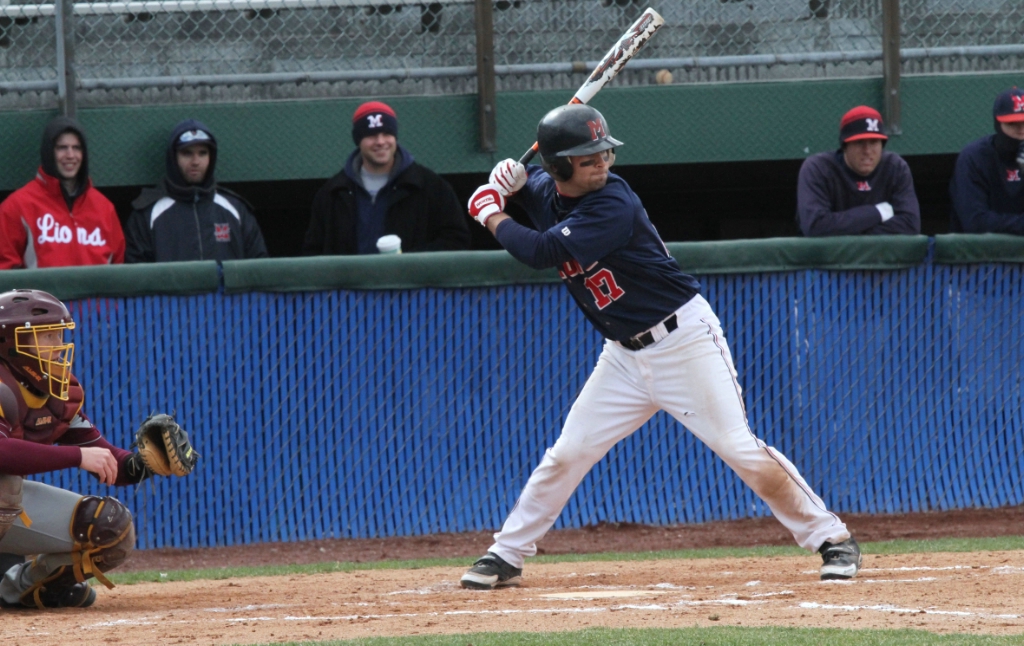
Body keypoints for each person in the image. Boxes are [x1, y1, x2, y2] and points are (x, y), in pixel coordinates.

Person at [459, 104, 862, 590]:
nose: (602, 164)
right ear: (559, 166)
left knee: (739, 447)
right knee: (568, 453)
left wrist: (490, 211)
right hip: (624, 356)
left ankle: (833, 538)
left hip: (684, 341)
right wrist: (512, 180)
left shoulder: (613, 203)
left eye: (604, 154)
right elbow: (536, 188)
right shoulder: (550, 187)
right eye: (588, 160)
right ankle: (507, 553)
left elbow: (542, 252)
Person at [0, 289, 192, 608]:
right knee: (6, 485)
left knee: (110, 528)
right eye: (44, 336)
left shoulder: (56, 393)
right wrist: (76, 457)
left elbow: (105, 458)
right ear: (8, 342)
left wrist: (143, 464)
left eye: (57, 333)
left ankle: (17, 588)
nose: (56, 345)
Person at [302, 101, 470, 255]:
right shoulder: (332, 193)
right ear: (358, 140)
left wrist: (410, 264)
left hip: (412, 287)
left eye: (387, 133)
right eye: (371, 135)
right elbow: (313, 251)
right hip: (351, 287)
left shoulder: (430, 186)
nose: (380, 141)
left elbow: (456, 240)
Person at [125, 119, 269, 262]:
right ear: (173, 157)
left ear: (211, 157)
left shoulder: (237, 210)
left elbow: (260, 271)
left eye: (202, 153)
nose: (195, 161)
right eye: (187, 153)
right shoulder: (147, 215)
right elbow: (136, 279)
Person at [0, 117, 125, 269]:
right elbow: (5, 272)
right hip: (44, 294)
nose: (70, 155)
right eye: (62, 147)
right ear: (48, 152)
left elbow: (119, 271)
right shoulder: (17, 206)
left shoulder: (105, 208)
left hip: (95, 294)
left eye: (77, 147)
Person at [796, 106, 920, 236]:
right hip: (827, 256)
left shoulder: (895, 167)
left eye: (873, 142)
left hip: (880, 255)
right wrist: (877, 212)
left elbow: (910, 225)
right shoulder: (818, 168)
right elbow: (816, 226)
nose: (867, 151)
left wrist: (852, 230)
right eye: (859, 142)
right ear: (845, 146)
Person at [949, 87, 1024, 234]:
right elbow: (974, 222)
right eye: (1012, 124)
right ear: (998, 124)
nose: (1021, 130)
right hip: (980, 254)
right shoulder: (974, 157)